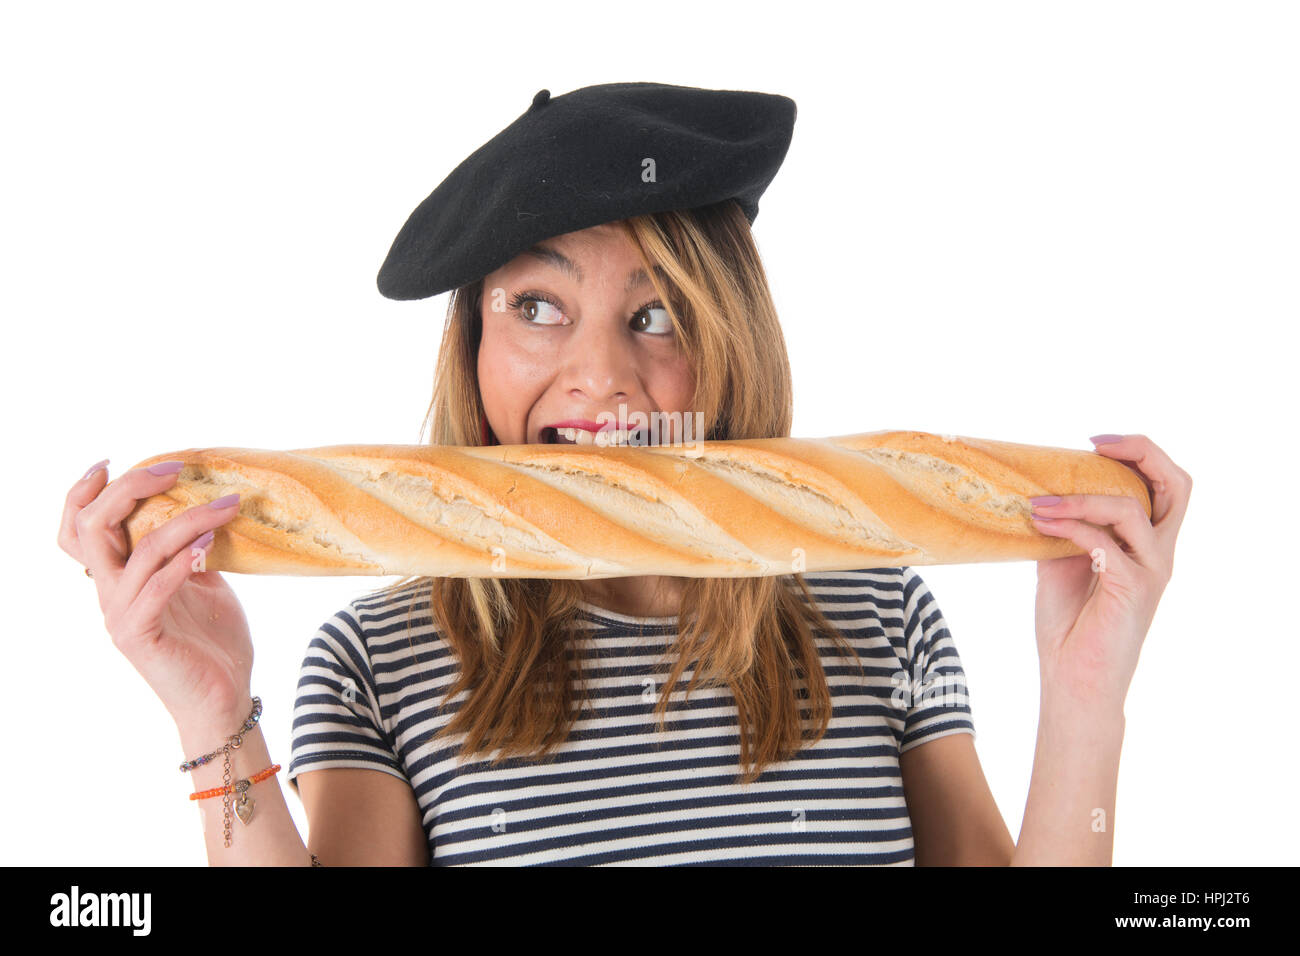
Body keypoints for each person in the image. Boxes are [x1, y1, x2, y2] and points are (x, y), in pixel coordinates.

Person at [57, 83, 1192, 866]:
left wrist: (1087, 694)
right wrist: (215, 718)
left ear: (732, 336)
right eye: (535, 307)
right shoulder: (381, 660)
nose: (596, 379)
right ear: (474, 344)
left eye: (656, 314)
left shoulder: (875, 606)